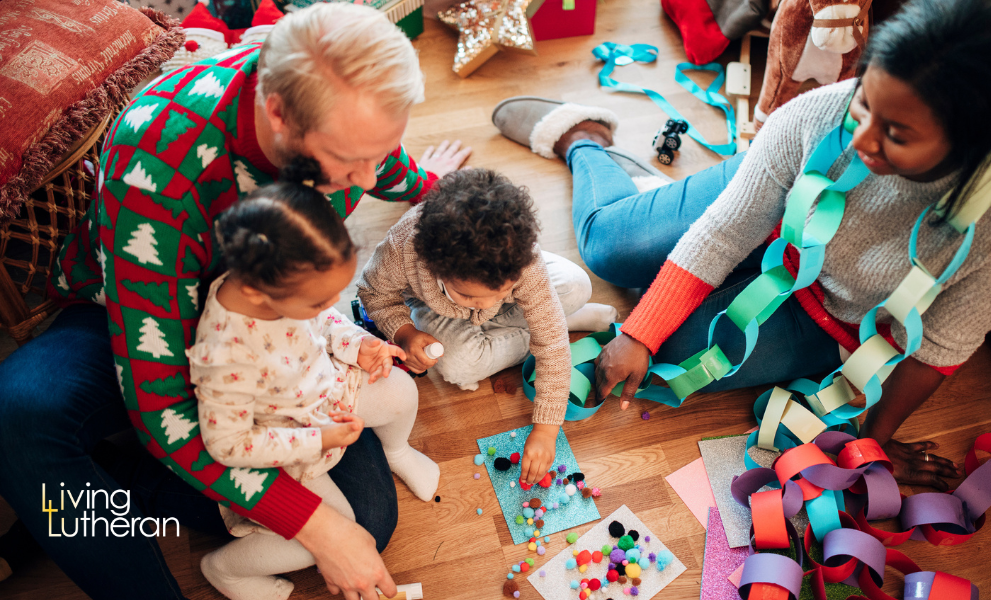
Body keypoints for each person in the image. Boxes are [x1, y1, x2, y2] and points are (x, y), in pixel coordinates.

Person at [0, 4, 468, 599]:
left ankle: (105, 490)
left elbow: (386, 167)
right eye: (351, 164)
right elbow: (161, 404)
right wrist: (314, 524)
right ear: (277, 113)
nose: (367, 179)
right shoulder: (158, 163)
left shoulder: (334, 123)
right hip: (134, 318)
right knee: (20, 413)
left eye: (379, 154)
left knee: (369, 523)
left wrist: (437, 191)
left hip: (283, 338)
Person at [491, 0, 991, 490]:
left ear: (976, 144)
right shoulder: (818, 118)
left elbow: (937, 345)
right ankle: (585, 139)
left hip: (833, 315)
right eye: (865, 103)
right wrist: (639, 330)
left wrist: (873, 441)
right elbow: (724, 232)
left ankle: (658, 203)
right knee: (610, 248)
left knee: (667, 362)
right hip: (765, 215)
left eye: (897, 135)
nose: (860, 140)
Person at [189, 159, 437, 600]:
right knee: (328, 534)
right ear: (256, 292)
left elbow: (323, 319)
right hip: (287, 444)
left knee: (400, 390)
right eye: (318, 298)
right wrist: (316, 439)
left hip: (323, 392)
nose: (328, 304)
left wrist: (356, 342)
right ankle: (226, 570)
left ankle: (397, 451)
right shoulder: (224, 353)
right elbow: (227, 445)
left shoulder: (282, 286)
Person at [359, 169, 616, 485]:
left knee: (576, 286)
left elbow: (551, 348)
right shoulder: (403, 249)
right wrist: (403, 331)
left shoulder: (523, 263)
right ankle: (562, 321)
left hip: (516, 288)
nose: (484, 304)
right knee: (459, 365)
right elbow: (373, 292)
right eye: (468, 295)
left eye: (501, 291)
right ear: (437, 268)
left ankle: (553, 319)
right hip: (434, 309)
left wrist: (547, 429)